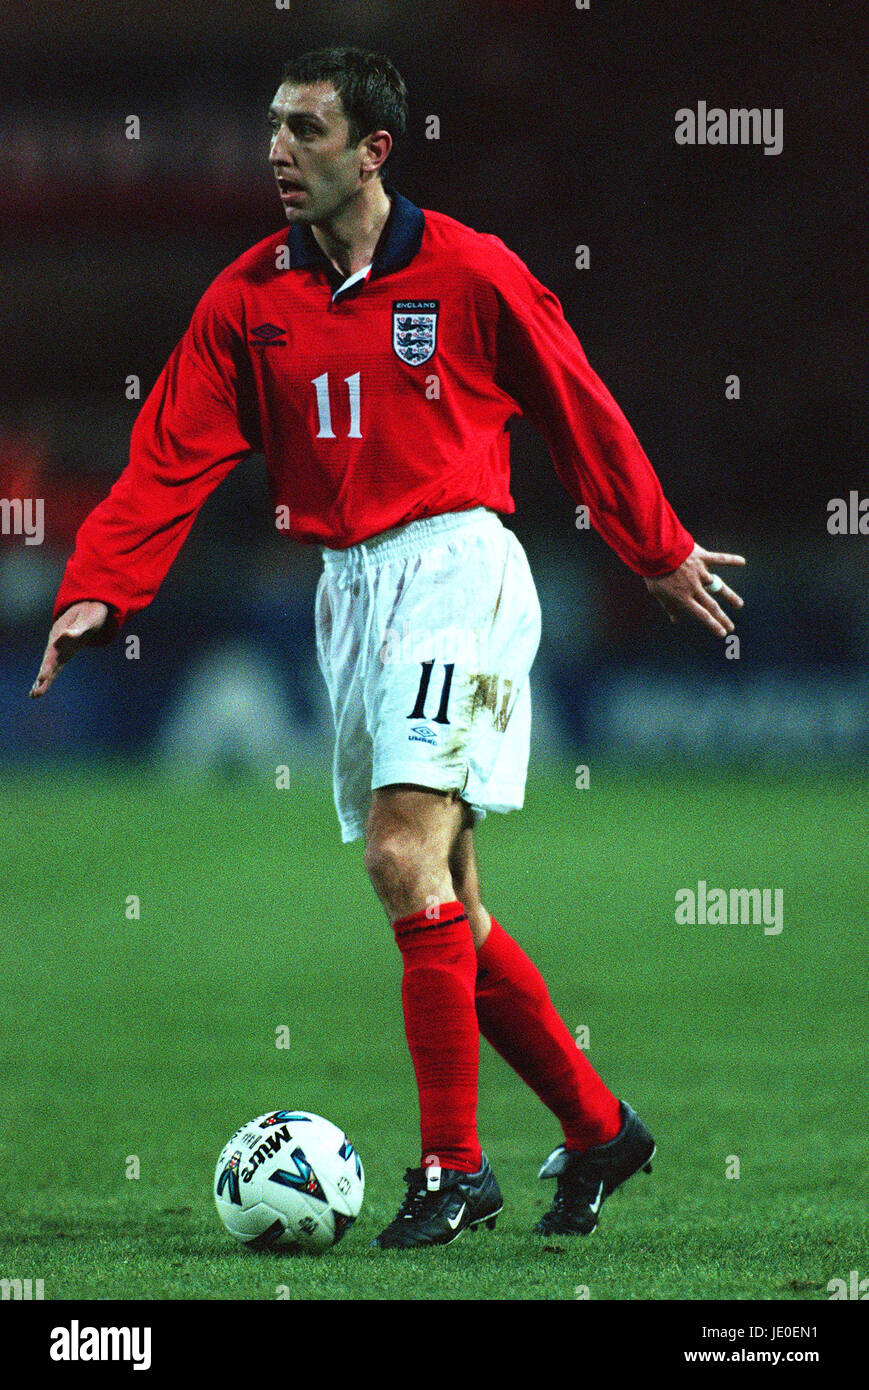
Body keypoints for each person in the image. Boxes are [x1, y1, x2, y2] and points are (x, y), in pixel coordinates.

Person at [30, 47, 744, 1249]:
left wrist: (652, 544)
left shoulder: (470, 273)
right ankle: (597, 1126)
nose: (275, 151)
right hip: (348, 591)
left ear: (374, 149)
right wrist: (102, 585)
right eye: (269, 127)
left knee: (398, 853)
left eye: (304, 130)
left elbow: (576, 401)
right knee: (444, 901)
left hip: (455, 568)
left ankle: (451, 1170)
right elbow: (168, 452)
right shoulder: (247, 298)